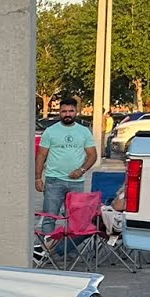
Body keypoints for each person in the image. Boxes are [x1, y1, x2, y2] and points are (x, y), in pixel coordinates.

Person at [35, 97, 97, 235]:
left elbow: (92, 155)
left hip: (76, 183)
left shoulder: (84, 131)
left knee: (75, 219)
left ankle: (70, 252)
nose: (67, 114)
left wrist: (81, 170)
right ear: (59, 112)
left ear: (76, 111)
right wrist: (38, 178)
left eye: (71, 111)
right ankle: (47, 252)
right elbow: (41, 156)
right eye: (64, 111)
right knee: (49, 218)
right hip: (54, 181)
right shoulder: (50, 131)